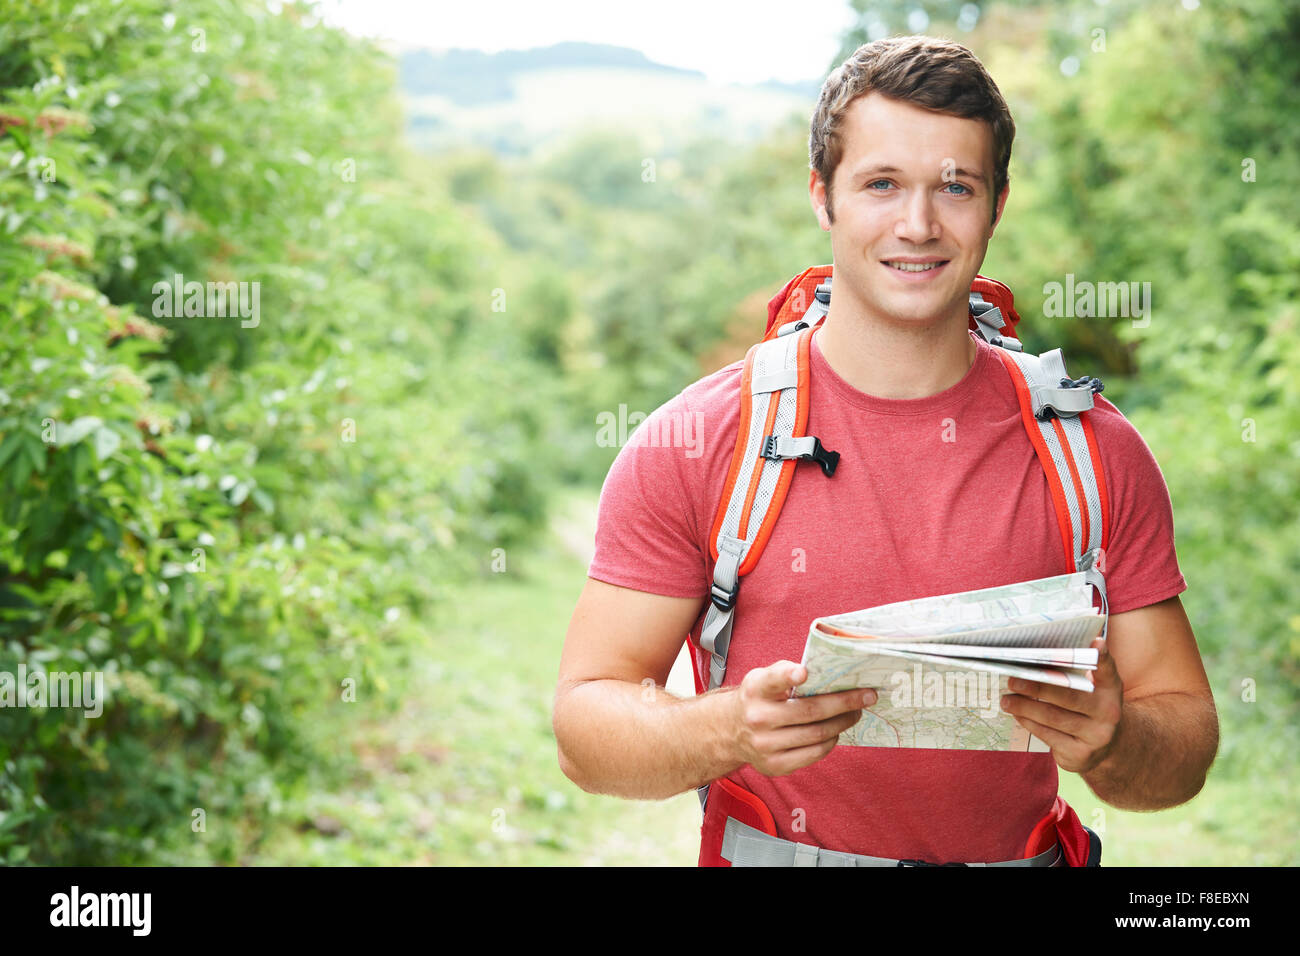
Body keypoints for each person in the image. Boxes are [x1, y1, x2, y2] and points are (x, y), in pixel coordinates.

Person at [552, 35, 1218, 866]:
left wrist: (1116, 741)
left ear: (996, 205)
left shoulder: (1092, 452)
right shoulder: (699, 444)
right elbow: (585, 729)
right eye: (881, 184)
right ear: (822, 198)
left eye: (955, 187)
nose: (919, 224)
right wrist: (727, 727)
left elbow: (1183, 741)